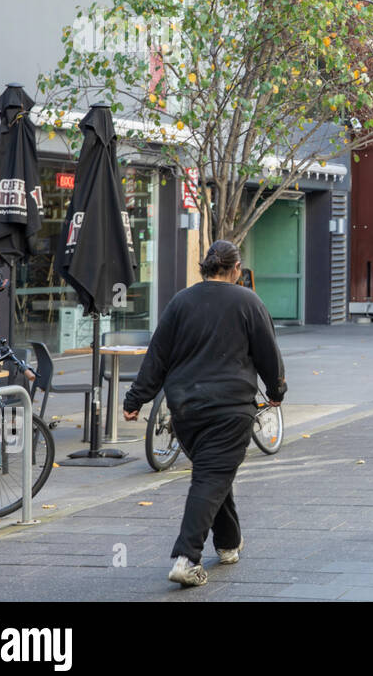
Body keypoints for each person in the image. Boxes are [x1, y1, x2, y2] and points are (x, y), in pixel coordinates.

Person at [122, 240, 286, 587]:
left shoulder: (181, 301)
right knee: (211, 477)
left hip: (186, 410)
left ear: (205, 267)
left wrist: (135, 399)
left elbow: (158, 355)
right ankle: (187, 558)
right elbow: (268, 354)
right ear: (236, 269)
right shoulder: (248, 301)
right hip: (230, 409)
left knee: (213, 471)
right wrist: (276, 392)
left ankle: (228, 544)